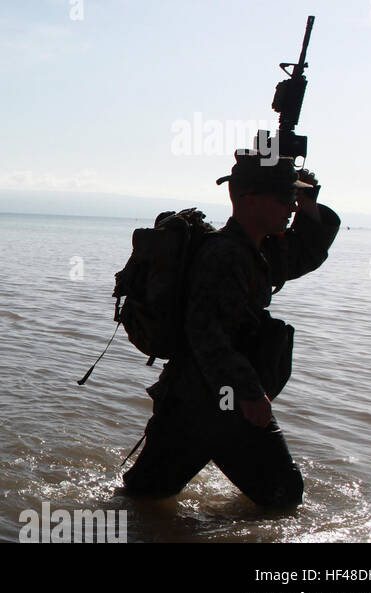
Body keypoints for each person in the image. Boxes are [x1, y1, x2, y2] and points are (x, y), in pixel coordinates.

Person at [120, 153, 341, 509]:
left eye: (293, 200)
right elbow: (206, 333)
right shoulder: (225, 256)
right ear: (249, 200)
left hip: (193, 402)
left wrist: (308, 203)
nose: (291, 208)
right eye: (285, 199)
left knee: (143, 498)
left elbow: (306, 253)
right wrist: (250, 394)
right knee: (283, 499)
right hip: (217, 403)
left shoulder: (258, 250)